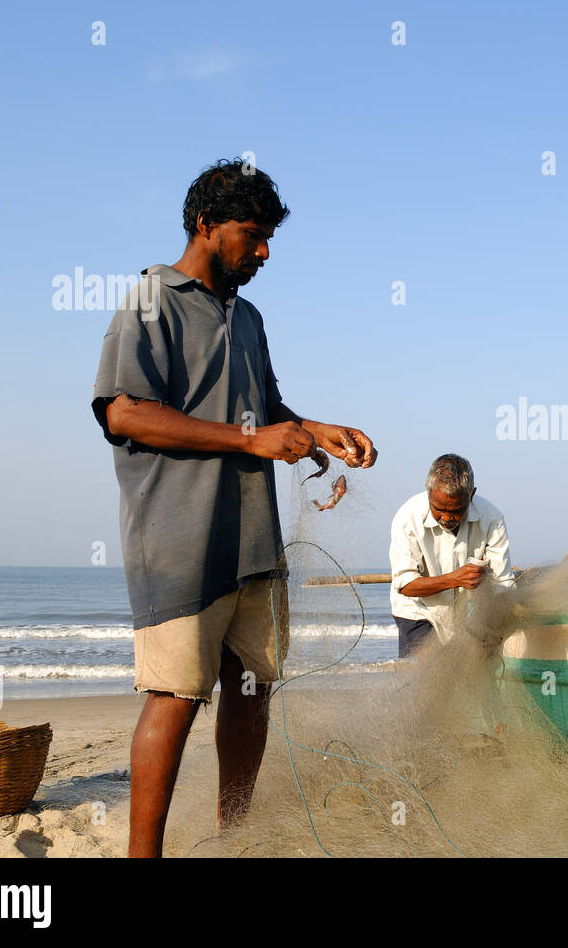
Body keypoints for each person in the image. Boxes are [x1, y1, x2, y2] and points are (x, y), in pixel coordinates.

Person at [92, 158, 377, 858]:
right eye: (252, 235)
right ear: (205, 225)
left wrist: (316, 431)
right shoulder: (150, 299)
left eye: (268, 237)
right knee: (175, 695)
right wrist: (255, 437)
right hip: (181, 537)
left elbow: (266, 411)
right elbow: (125, 412)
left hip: (256, 539)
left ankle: (235, 841)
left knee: (252, 692)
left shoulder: (248, 317)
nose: (264, 252)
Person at [389, 454, 516, 657]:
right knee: (432, 673)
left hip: (467, 615)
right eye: (438, 509)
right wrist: (455, 579)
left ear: (472, 495)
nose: (447, 518)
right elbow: (406, 585)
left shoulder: (491, 518)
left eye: (457, 511)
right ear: (428, 492)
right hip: (417, 610)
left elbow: (503, 583)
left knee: (480, 668)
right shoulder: (407, 519)